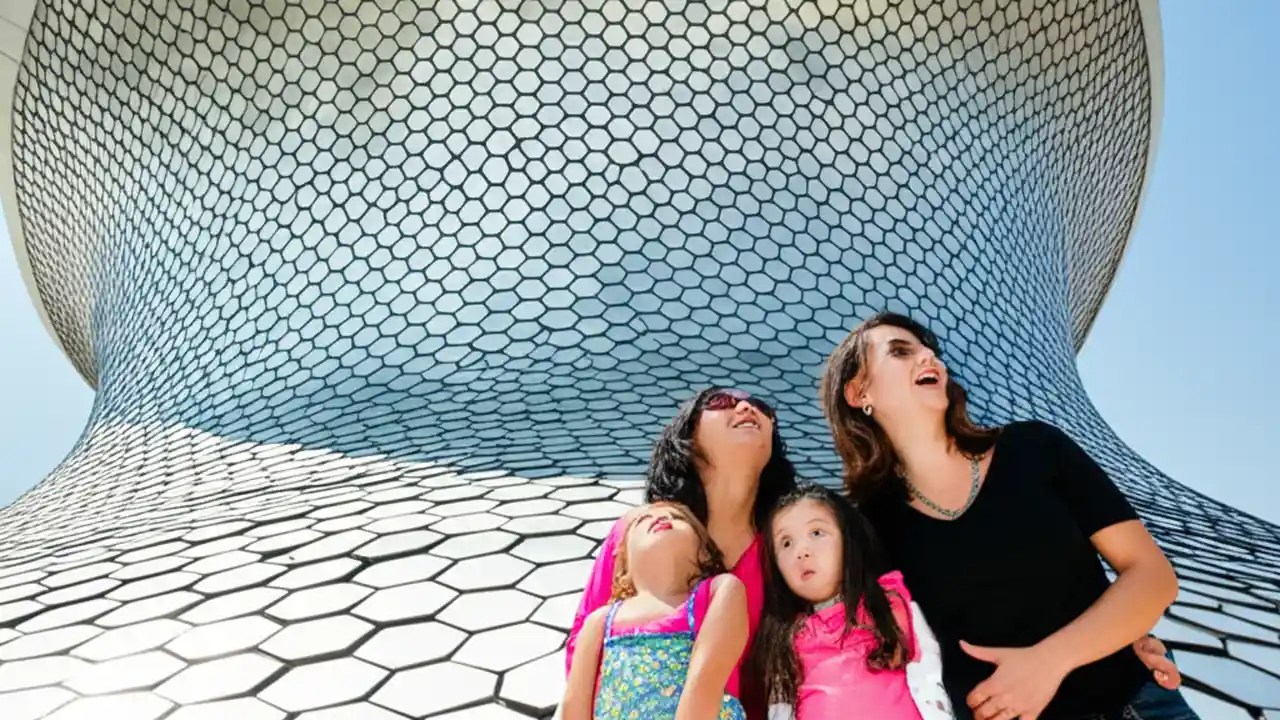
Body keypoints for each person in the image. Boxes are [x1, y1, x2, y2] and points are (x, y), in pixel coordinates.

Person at [820, 311, 1198, 719]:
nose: (930, 360)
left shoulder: (1035, 448)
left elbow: (1153, 576)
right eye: (900, 352)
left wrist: (1049, 662)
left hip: (1135, 705)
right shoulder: (867, 528)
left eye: (932, 352)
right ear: (859, 393)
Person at [567, 387, 799, 720]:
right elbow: (584, 654)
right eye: (721, 402)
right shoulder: (640, 532)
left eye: (760, 406)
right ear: (687, 436)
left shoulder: (787, 544)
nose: (747, 407)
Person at [756, 483, 954, 720]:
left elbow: (929, 670)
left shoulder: (889, 604)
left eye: (817, 533)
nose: (802, 550)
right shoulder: (785, 637)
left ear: (849, 540)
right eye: (786, 543)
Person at [562, 501, 749, 720]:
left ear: (704, 553)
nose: (659, 518)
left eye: (677, 518)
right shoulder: (599, 622)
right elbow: (574, 708)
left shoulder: (718, 592)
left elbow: (706, 682)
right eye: (642, 520)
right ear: (624, 567)